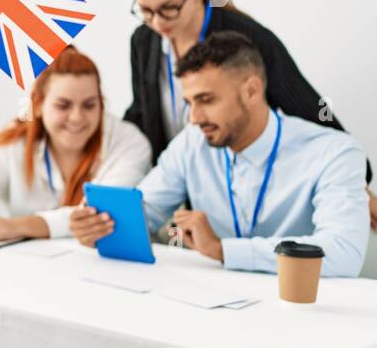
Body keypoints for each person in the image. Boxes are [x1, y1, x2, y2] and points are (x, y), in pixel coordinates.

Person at [122, 0, 375, 228]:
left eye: (168, 8)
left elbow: (306, 106)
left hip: (240, 192)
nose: (157, 22)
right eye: (145, 10)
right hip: (178, 185)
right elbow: (143, 112)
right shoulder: (144, 41)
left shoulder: (248, 41)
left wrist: (354, 180)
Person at [71, 31, 369, 277]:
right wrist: (97, 227)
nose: (194, 117)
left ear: (251, 91)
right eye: (189, 102)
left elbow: (343, 254)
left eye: (207, 100)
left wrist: (223, 249)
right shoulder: (192, 142)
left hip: (300, 310)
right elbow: (141, 212)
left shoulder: (334, 152)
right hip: (214, 307)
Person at [0, 47, 151, 242]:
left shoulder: (129, 143)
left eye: (89, 105)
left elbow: (99, 216)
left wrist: (18, 226)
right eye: (63, 105)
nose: (77, 117)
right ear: (38, 105)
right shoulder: (14, 142)